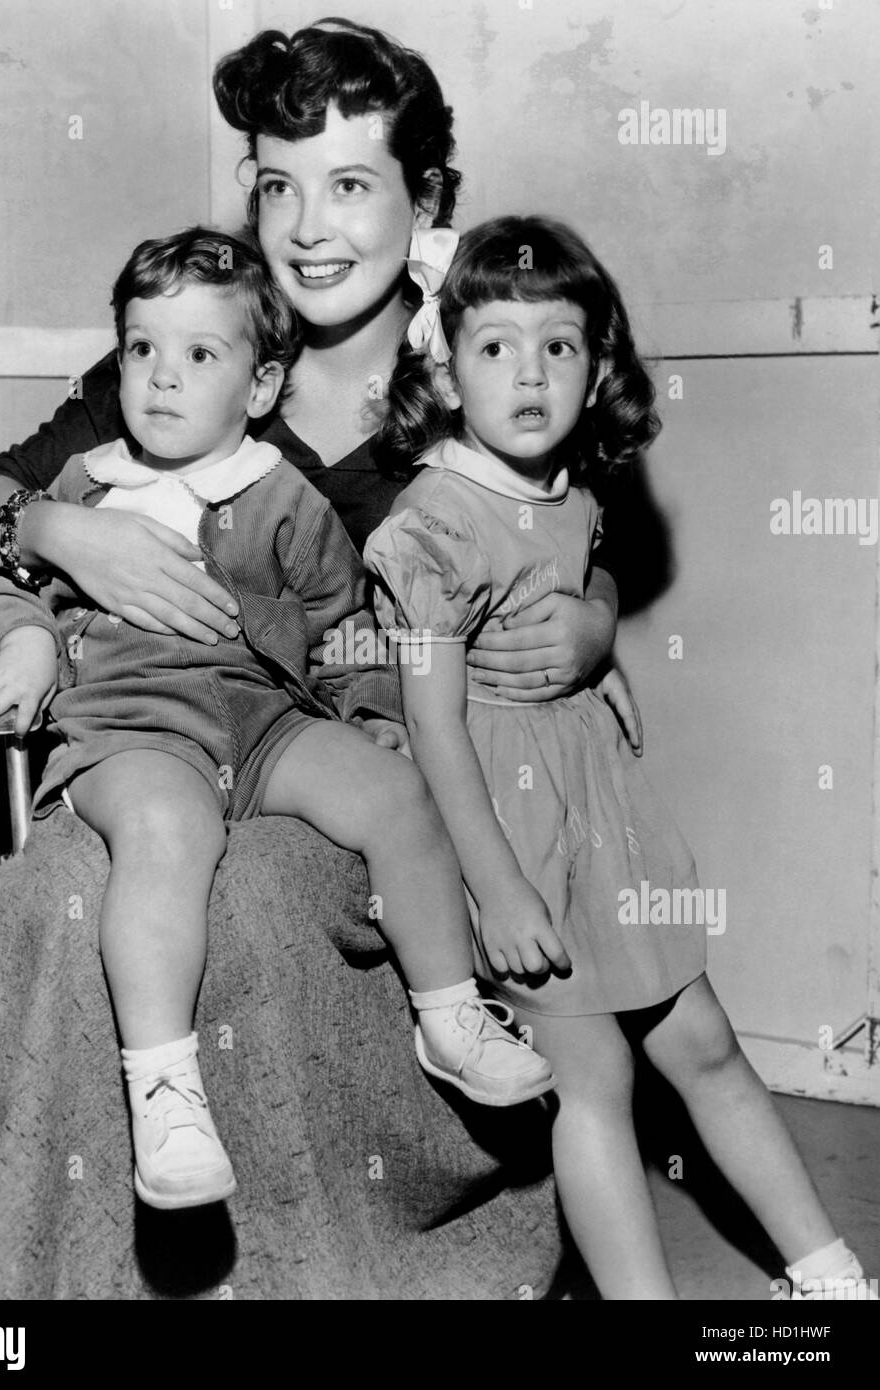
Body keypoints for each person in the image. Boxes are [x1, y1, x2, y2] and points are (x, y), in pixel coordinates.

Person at [0, 226, 555, 1211]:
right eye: (142, 347)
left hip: (262, 720)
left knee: (395, 795)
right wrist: (22, 646)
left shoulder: (282, 497)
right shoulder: (81, 486)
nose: (160, 377)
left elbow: (341, 626)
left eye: (200, 355)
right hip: (130, 726)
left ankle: (451, 1014)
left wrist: (371, 716)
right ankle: (164, 1087)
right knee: (167, 828)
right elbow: (21, 587)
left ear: (261, 385)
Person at [365, 214, 876, 1301]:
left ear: (598, 369)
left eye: (559, 345)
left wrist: (598, 657)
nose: (530, 372)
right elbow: (434, 724)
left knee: (701, 1042)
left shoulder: (575, 496)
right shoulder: (428, 528)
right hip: (501, 821)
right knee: (589, 1075)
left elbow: (567, 612)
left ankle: (827, 1272)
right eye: (495, 345)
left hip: (601, 806)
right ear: (446, 371)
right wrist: (496, 891)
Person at [0, 17, 636, 733]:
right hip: (195, 755)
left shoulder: (487, 364)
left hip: (421, 772)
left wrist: (596, 619)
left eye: (349, 186)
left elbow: (569, 530)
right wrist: (63, 533)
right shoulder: (198, 353)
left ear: (425, 201)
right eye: (281, 187)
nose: (308, 228)